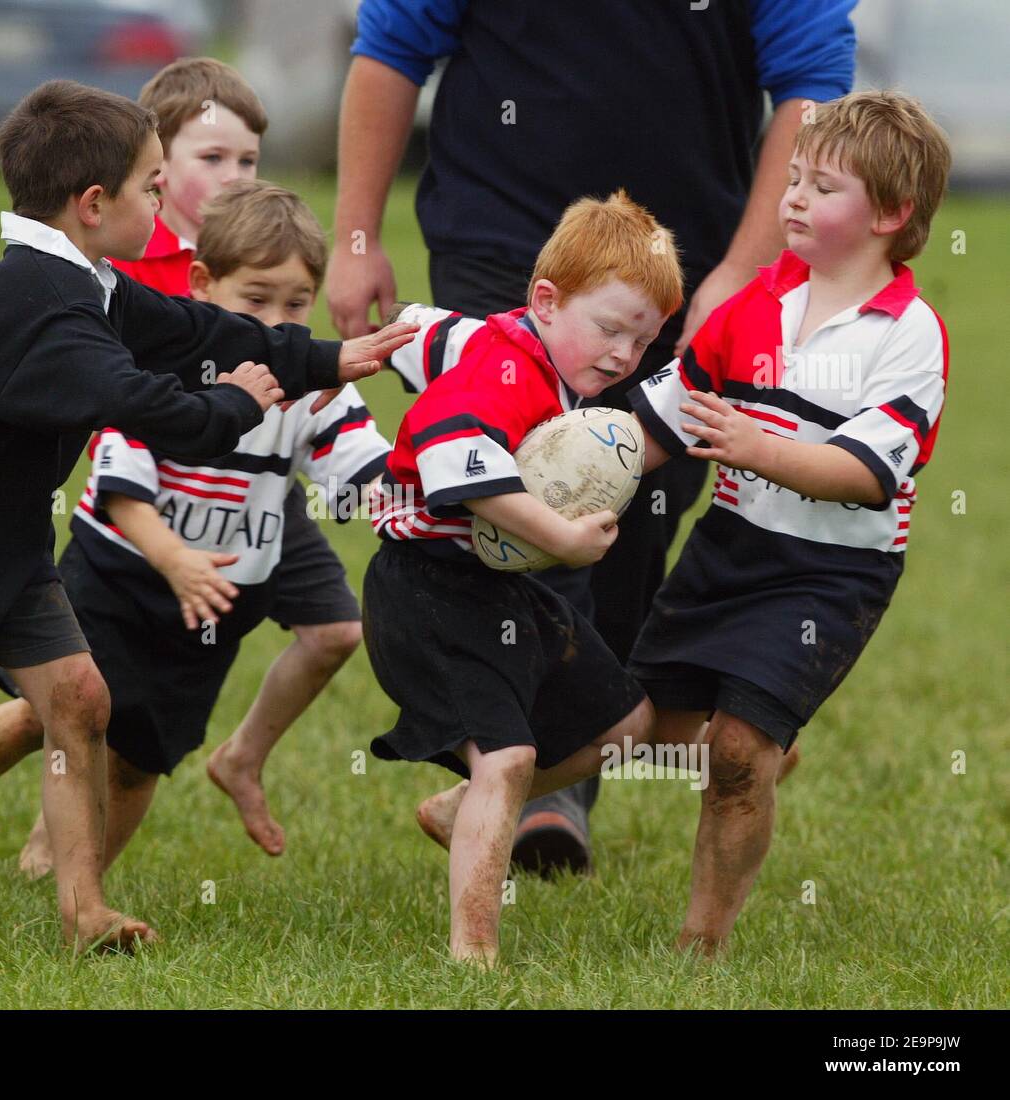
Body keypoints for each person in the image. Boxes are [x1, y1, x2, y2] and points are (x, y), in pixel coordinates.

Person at [0, 79, 415, 951]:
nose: (166, 200)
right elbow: (149, 404)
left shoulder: (83, 278)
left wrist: (323, 355)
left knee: (81, 701)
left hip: (9, 542)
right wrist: (240, 408)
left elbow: (190, 330)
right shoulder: (42, 309)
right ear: (93, 204)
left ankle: (83, 910)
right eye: (152, 186)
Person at [328, 0, 857, 874]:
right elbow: (392, 44)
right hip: (503, 234)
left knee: (629, 514)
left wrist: (746, 268)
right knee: (517, 508)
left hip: (683, 264)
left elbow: (810, 84)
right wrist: (356, 237)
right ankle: (529, 763)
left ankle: (569, 751)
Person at [0, 181, 391, 889]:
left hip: (215, 601)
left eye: (296, 304)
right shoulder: (165, 367)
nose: (278, 322)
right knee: (46, 717)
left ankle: (69, 879)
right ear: (202, 284)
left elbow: (366, 470)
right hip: (120, 572)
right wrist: (175, 558)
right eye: (255, 301)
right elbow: (123, 492)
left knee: (140, 758)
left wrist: (428, 501)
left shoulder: (319, 386)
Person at [625, 90, 952, 953]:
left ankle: (701, 947)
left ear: (891, 213)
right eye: (793, 178)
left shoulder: (909, 335)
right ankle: (759, 752)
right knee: (642, 723)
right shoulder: (753, 303)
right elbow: (665, 420)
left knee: (731, 752)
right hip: (728, 548)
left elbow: (868, 475)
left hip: (827, 575)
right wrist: (569, 468)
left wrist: (756, 446)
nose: (794, 198)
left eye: (824, 186)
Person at [364, 191, 682, 964]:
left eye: (642, 343)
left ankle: (456, 810)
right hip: (427, 587)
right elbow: (456, 466)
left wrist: (392, 330)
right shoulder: (511, 367)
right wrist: (565, 539)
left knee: (626, 726)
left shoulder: (521, 344)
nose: (621, 356)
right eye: (609, 328)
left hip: (499, 588)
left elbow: (437, 335)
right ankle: (473, 960)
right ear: (545, 300)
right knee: (505, 758)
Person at [112, 60, 374, 858]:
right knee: (61, 705)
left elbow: (356, 453)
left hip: (262, 495)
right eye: (211, 158)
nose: (232, 176)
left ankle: (242, 758)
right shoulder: (129, 264)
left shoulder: (271, 241)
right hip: (154, 504)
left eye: (248, 160)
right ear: (155, 168)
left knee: (334, 630)